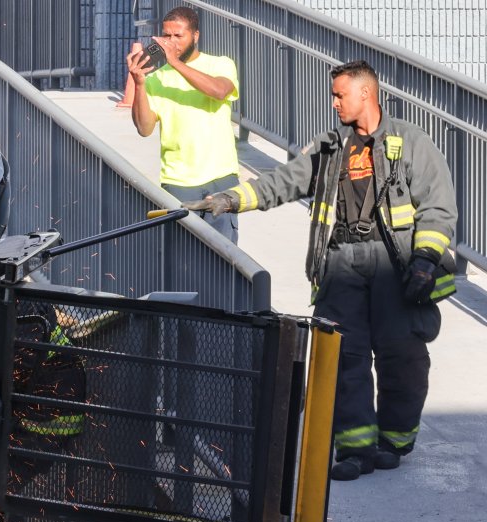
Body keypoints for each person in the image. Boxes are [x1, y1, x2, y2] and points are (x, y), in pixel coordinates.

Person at [182, 60, 458, 481]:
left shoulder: (411, 142)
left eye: (339, 95)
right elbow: (282, 182)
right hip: (341, 262)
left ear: (366, 94)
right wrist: (230, 199)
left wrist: (425, 260)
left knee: (403, 357)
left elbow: (439, 206)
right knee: (342, 357)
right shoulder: (330, 148)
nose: (334, 104)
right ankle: (355, 449)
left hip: (395, 265)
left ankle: (394, 442)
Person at [125, 6, 241, 242]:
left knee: (224, 254)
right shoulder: (156, 78)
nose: (171, 42)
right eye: (166, 35)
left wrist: (175, 62)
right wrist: (139, 83)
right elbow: (144, 128)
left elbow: (219, 91)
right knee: (183, 255)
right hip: (178, 182)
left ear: (195, 36)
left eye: (178, 35)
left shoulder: (220, 64)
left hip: (220, 178)